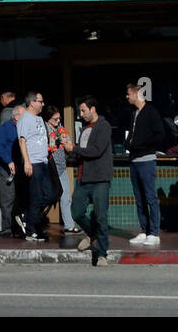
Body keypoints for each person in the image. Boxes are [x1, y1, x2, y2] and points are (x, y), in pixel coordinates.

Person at [67, 96, 114, 266]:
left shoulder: (103, 126)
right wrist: (69, 151)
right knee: (76, 211)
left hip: (100, 177)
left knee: (101, 215)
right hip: (83, 177)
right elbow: (81, 153)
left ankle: (102, 254)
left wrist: (74, 148)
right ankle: (92, 233)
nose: (81, 114)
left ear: (93, 109)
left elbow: (96, 150)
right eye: (80, 111)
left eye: (83, 110)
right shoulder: (85, 128)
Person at [125, 82, 166, 246]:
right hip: (133, 161)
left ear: (136, 94)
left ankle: (154, 232)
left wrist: (141, 144)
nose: (127, 97)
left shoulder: (151, 112)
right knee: (139, 198)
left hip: (146, 160)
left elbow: (160, 135)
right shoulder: (134, 113)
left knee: (150, 197)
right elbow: (132, 135)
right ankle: (144, 230)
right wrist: (129, 143)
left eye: (128, 93)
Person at [18, 91, 54, 242]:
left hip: (44, 161)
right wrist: (27, 161)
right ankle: (31, 231)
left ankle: (27, 216)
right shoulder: (24, 119)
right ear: (32, 102)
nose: (43, 104)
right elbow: (22, 140)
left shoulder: (38, 118)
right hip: (34, 162)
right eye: (40, 101)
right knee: (37, 196)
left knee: (50, 194)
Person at [0, 103, 24, 236]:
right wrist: (9, 161)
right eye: (23, 114)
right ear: (16, 116)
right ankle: (6, 229)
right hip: (6, 168)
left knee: (20, 198)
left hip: (21, 167)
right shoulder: (6, 127)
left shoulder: (24, 127)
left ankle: (20, 227)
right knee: (7, 199)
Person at [45, 105, 77, 235]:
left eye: (59, 119)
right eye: (55, 119)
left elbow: (68, 144)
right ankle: (33, 220)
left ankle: (69, 225)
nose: (58, 121)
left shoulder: (60, 128)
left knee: (66, 197)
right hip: (49, 168)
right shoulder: (44, 129)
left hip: (61, 167)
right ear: (48, 119)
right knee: (47, 196)